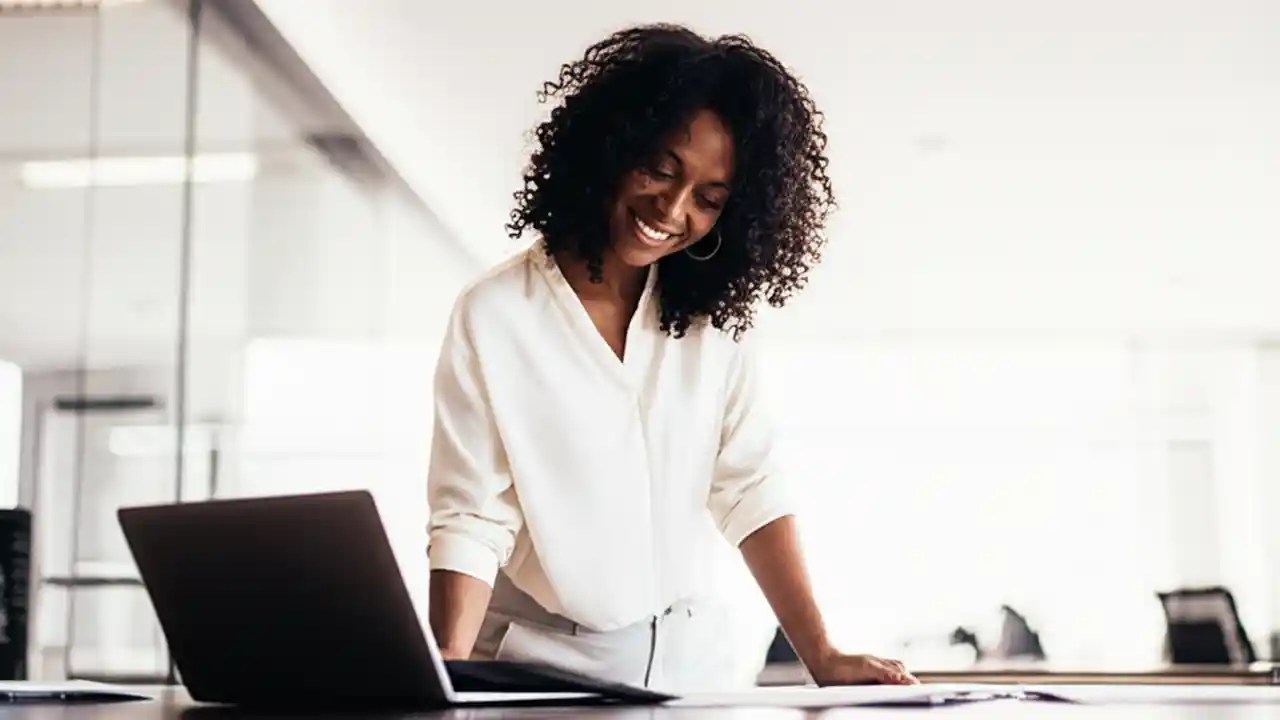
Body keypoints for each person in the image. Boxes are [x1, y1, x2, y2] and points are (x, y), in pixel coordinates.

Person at [426, 23, 917, 691]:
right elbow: (471, 520)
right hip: (542, 667)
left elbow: (748, 487)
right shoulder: (497, 313)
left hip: (691, 667)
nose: (673, 208)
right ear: (612, 145)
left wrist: (821, 655)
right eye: (660, 168)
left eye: (709, 199)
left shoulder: (712, 323)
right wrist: (441, 684)